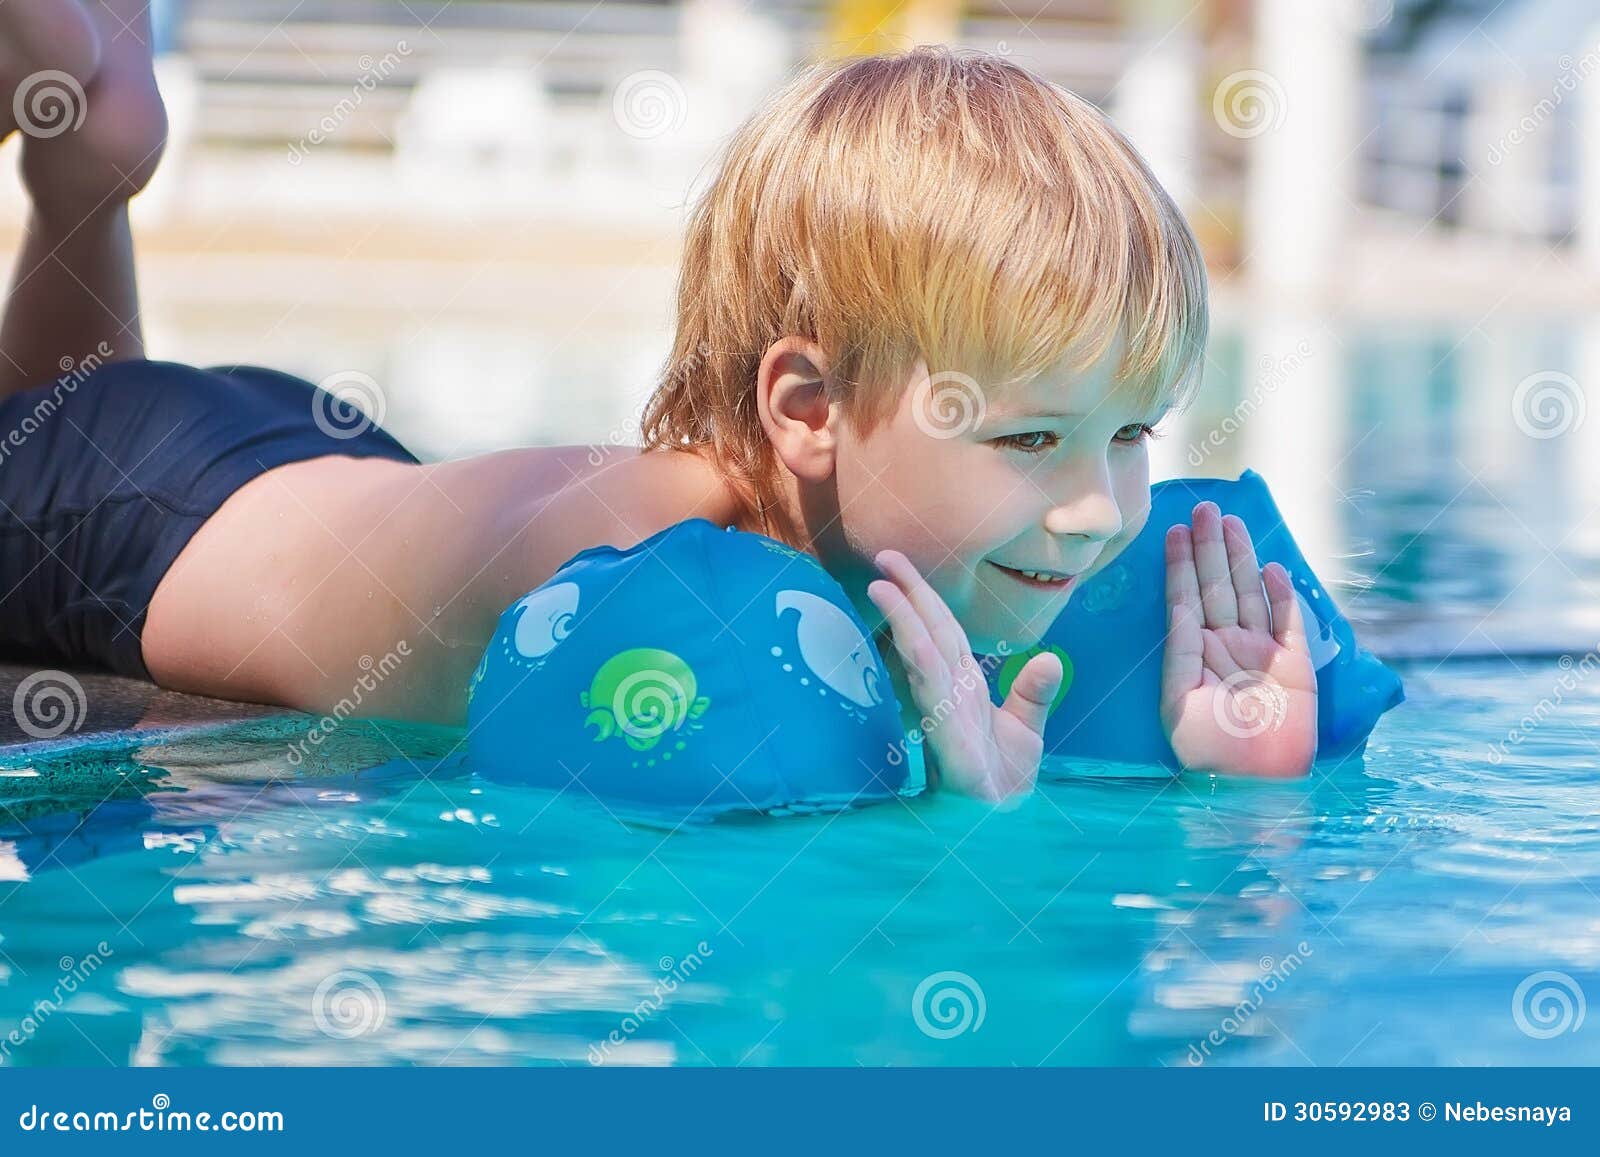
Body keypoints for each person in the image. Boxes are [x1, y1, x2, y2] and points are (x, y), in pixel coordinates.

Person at [0, 5, 1318, 801]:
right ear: (805, 406)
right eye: (1032, 436)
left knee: (65, 407)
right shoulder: (652, 567)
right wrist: (952, 812)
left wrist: (1249, 803)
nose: (1100, 509)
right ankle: (77, 135)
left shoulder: (832, 537)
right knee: (40, 432)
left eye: (1132, 432)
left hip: (272, 466)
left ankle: (89, 170)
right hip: (152, 506)